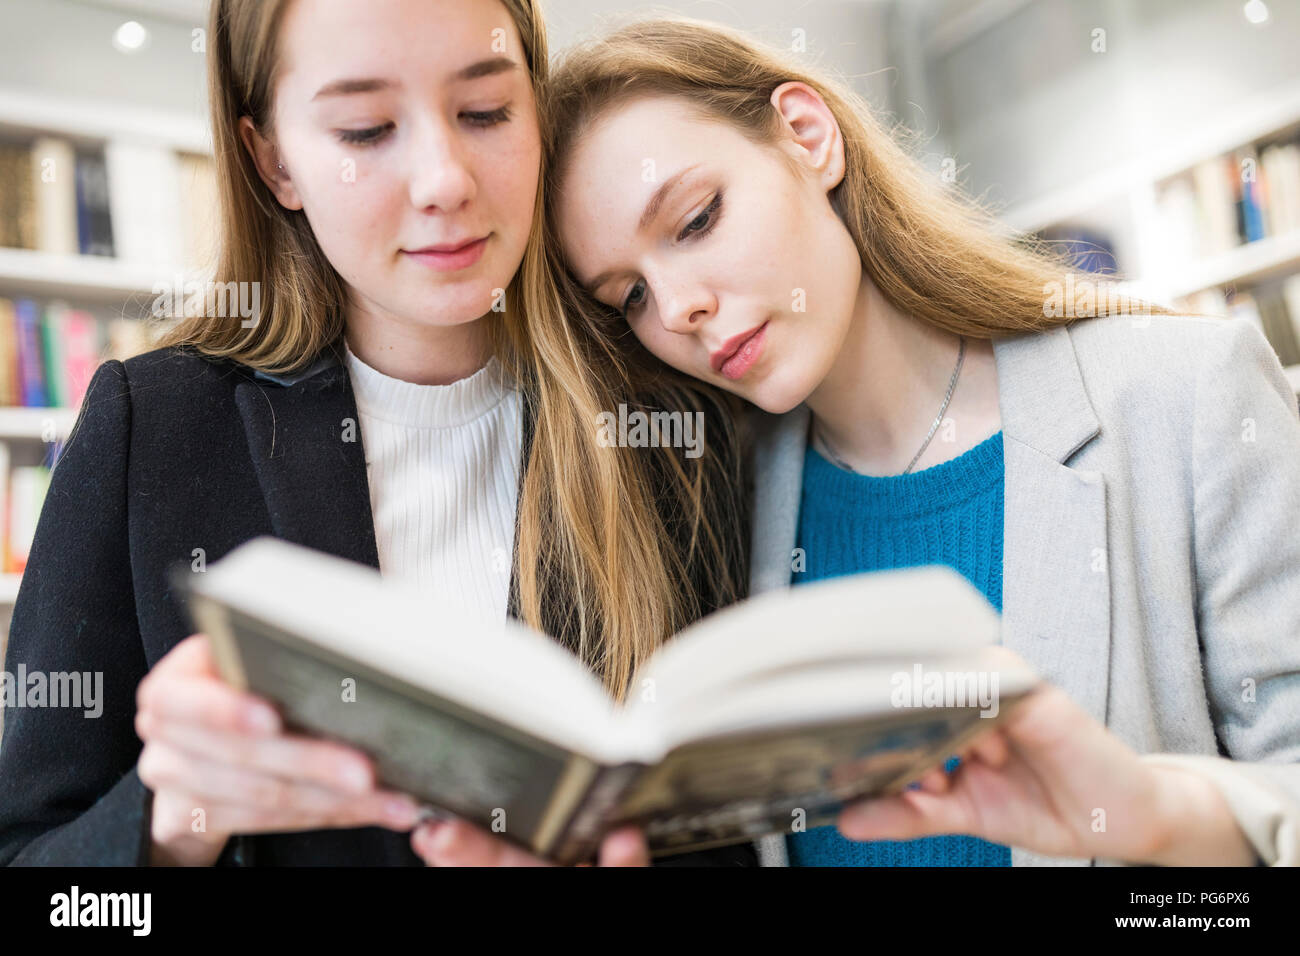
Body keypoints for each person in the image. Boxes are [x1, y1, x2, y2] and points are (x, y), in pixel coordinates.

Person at [530, 17, 1300, 867]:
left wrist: (1158, 819)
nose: (676, 309)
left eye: (697, 219)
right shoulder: (723, 515)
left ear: (808, 136)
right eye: (630, 295)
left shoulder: (1184, 394)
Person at [0, 0, 748, 868]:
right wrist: (172, 822)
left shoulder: (665, 423)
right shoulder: (155, 425)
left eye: (486, 112)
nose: (445, 181)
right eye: (364, 129)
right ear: (273, 160)